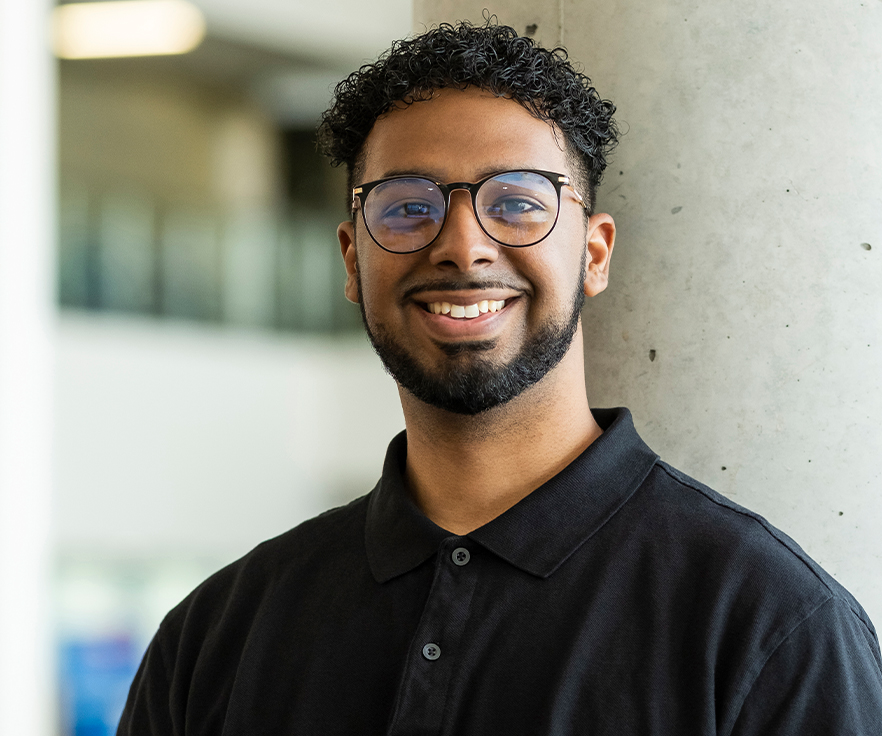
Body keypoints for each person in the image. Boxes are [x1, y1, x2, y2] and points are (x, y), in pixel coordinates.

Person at [118, 20, 882, 735]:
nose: (461, 245)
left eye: (517, 202)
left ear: (594, 252)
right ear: (353, 259)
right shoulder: (215, 638)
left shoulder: (769, 625)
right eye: (408, 207)